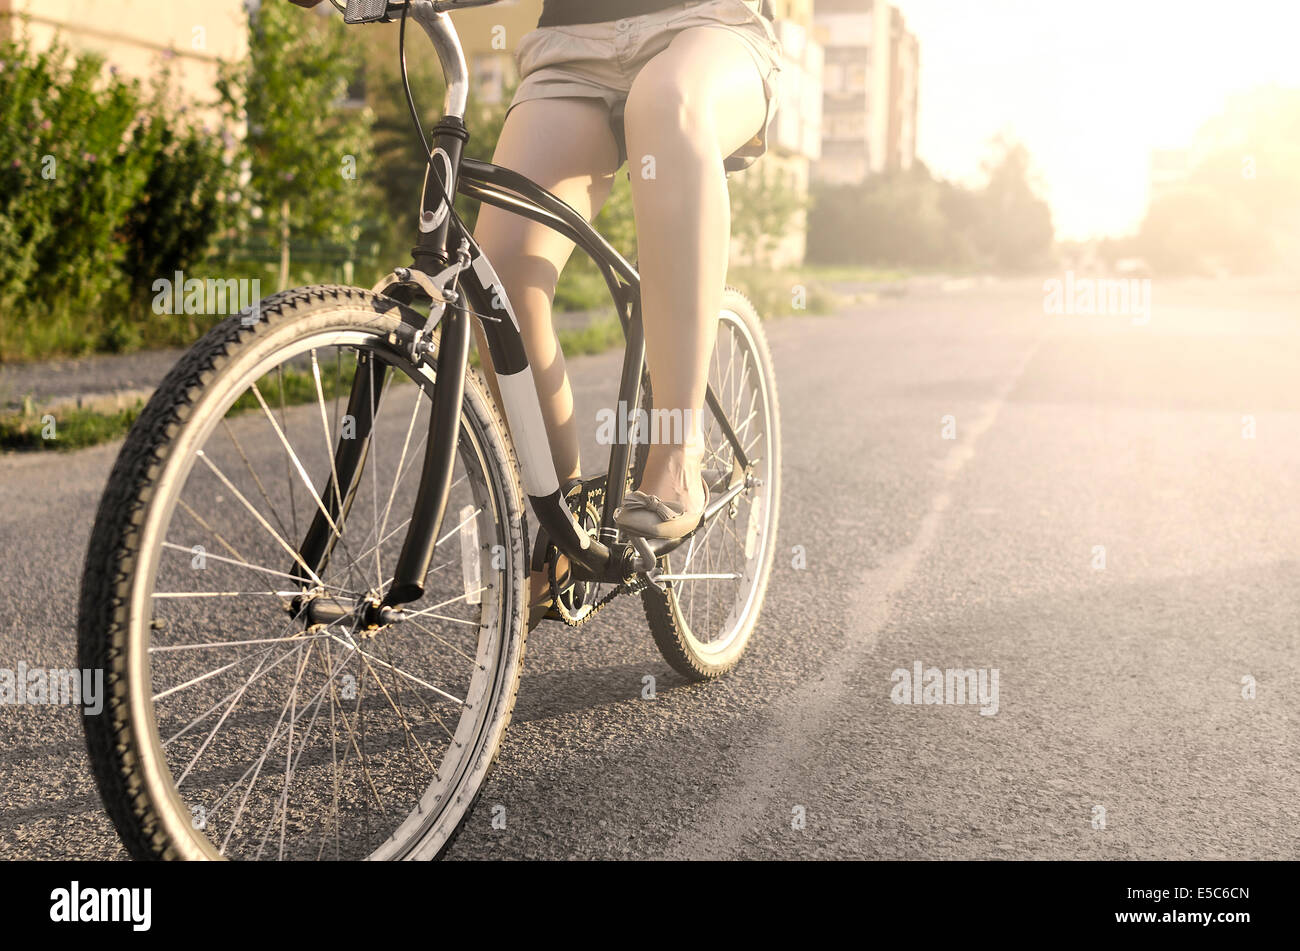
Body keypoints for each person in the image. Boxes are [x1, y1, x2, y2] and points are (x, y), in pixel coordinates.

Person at [290, 1, 783, 623]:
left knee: (667, 103)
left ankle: (676, 455)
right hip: (572, 48)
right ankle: (562, 525)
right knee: (502, 268)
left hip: (707, 26)